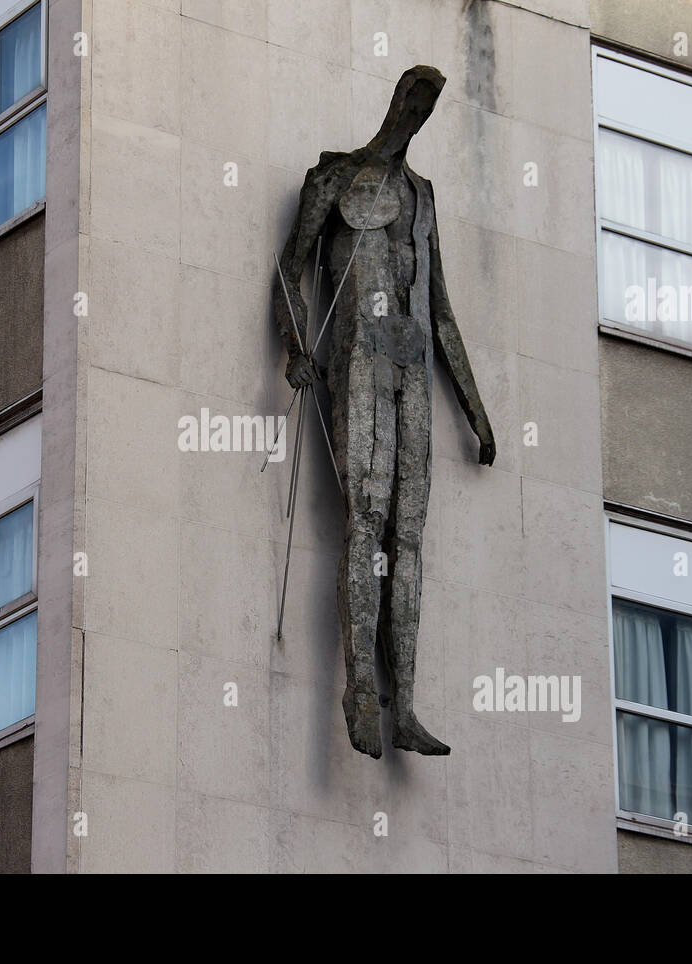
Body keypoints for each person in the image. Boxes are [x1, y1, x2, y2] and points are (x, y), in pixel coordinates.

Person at [273, 65, 495, 758]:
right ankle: (360, 691)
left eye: (429, 105)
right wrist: (297, 345)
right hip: (359, 359)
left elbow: (442, 309)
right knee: (365, 518)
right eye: (413, 98)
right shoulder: (336, 179)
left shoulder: (423, 198)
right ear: (397, 99)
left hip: (410, 365)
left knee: (411, 535)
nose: (418, 113)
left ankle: (406, 703)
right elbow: (291, 266)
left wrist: (475, 408)